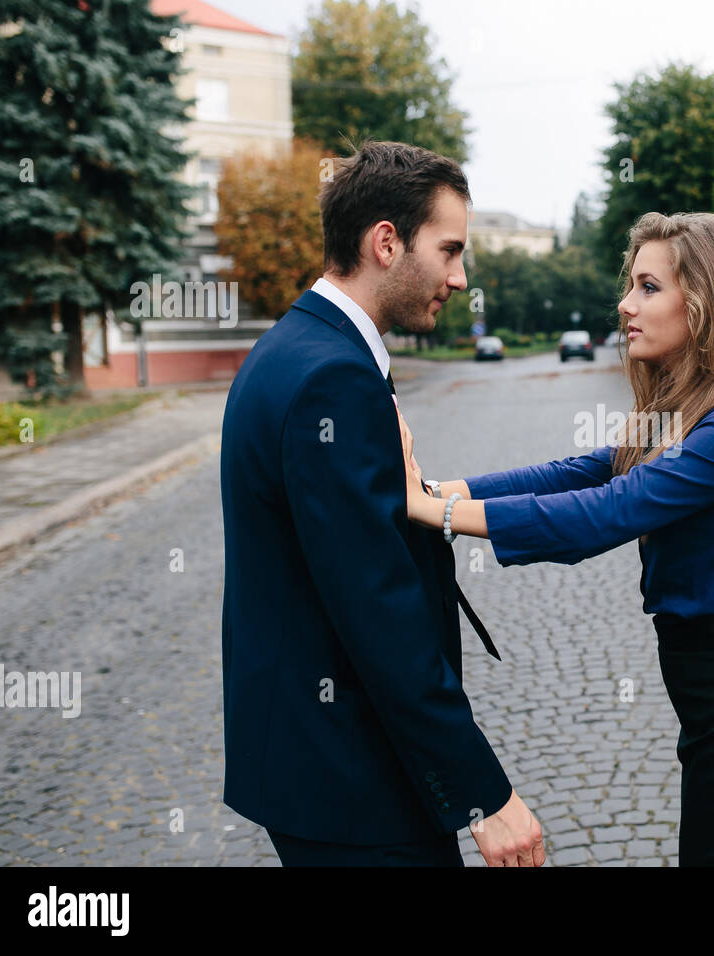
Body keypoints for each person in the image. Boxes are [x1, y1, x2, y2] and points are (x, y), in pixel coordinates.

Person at [403, 211, 714, 866]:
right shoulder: (690, 414)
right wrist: (442, 492)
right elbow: (579, 472)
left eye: (649, 287)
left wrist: (436, 515)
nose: (627, 305)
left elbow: (606, 512)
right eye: (631, 286)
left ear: (708, 301)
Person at [219, 141, 544, 867]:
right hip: (353, 785)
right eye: (450, 250)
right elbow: (378, 610)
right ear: (386, 242)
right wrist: (483, 795)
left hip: (317, 767)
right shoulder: (333, 376)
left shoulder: (292, 348)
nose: (461, 279)